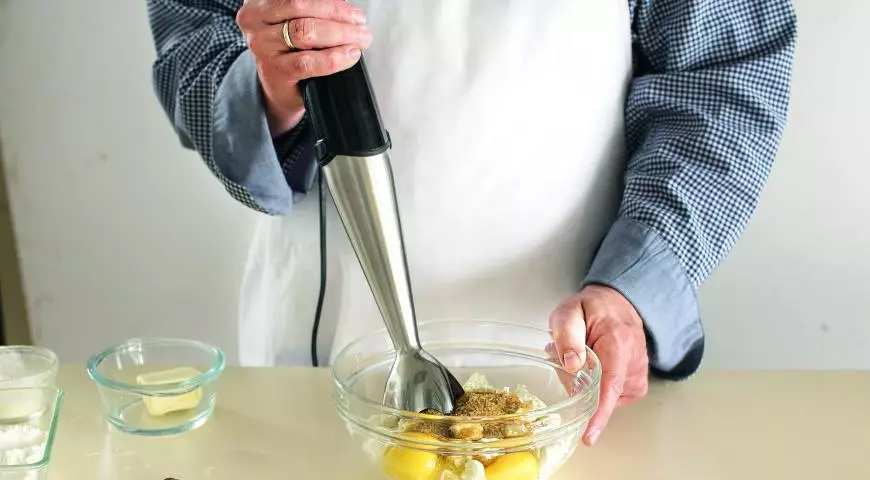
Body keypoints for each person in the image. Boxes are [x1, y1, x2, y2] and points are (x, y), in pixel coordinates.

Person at [145, 0, 797, 446]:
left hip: (573, 369)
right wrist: (264, 86)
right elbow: (195, 47)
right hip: (322, 357)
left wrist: (633, 287)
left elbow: (719, 82)